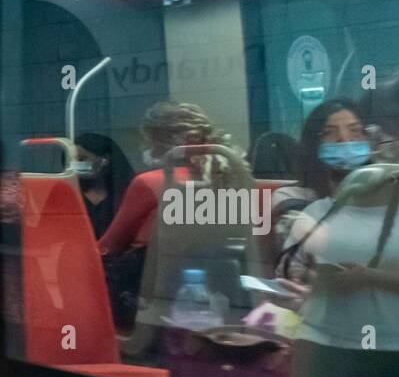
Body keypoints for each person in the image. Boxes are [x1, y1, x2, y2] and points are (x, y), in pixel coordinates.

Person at [278, 72, 399, 377]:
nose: (354, 139)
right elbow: (295, 276)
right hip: (329, 339)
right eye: (332, 132)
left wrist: (372, 278)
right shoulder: (311, 206)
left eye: (360, 129)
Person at [97, 102, 253, 328]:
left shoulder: (150, 183)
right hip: (227, 292)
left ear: (160, 141)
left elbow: (108, 247)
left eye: (146, 139)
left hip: (152, 293)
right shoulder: (235, 179)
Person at [271, 99, 370, 242]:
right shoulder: (290, 196)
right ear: (313, 144)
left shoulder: (384, 190)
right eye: (330, 133)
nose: (344, 140)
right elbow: (307, 245)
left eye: (355, 131)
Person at [73, 132, 134, 239]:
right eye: (70, 160)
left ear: (104, 160)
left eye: (81, 159)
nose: (75, 164)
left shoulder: (129, 191)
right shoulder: (66, 192)